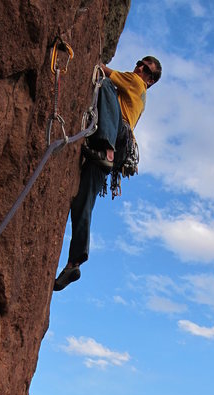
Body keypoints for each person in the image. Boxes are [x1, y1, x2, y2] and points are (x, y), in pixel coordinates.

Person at [53, 56, 162, 292]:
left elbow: (105, 71)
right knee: (83, 200)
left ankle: (106, 150)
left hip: (114, 140)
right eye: (140, 63)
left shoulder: (136, 83)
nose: (139, 68)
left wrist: (95, 59)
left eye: (145, 69)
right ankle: (74, 262)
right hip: (106, 154)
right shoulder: (139, 92)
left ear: (150, 81)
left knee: (104, 84)